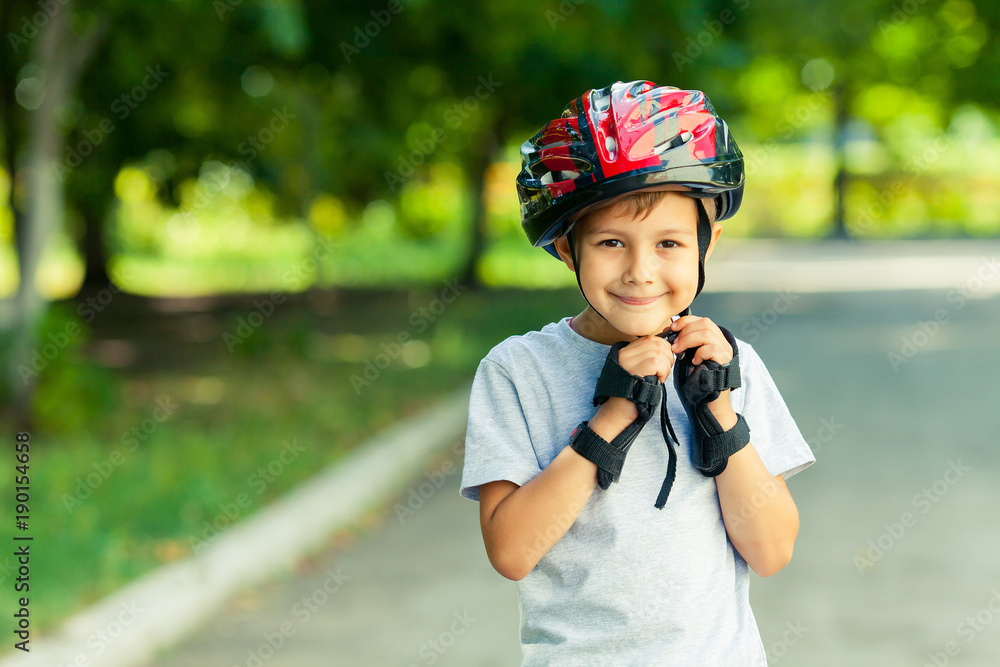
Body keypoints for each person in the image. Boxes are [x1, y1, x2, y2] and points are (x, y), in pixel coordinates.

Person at [459, 80, 815, 665]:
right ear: (569, 250)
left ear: (708, 242)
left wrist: (718, 413)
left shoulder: (729, 363)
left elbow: (772, 549)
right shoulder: (519, 370)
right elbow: (512, 551)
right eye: (611, 243)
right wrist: (612, 417)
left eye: (670, 242)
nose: (641, 271)